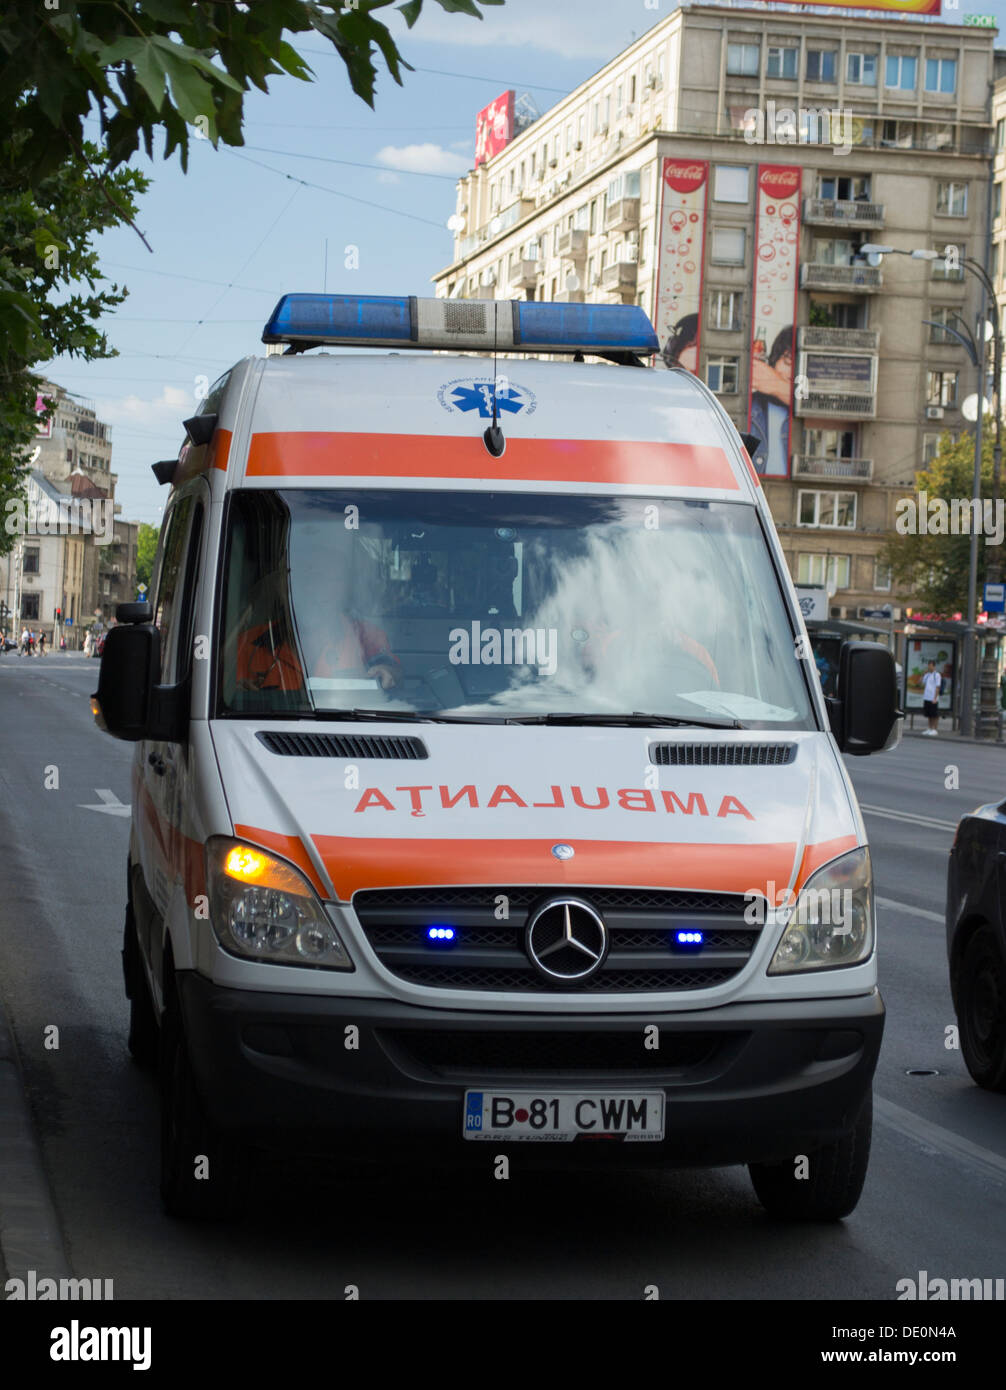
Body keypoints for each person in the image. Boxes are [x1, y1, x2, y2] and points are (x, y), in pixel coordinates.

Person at [749, 325, 794, 477]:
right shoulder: (750, 407)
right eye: (788, 362)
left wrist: (777, 385)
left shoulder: (805, 410)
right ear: (774, 360)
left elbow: (811, 402)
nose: (791, 373)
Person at [922, 658, 942, 736]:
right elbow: (921, 683)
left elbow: (937, 687)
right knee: (929, 714)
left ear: (934, 666)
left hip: (933, 698)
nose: (929, 667)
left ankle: (934, 729)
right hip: (926, 697)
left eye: (930, 666)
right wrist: (923, 674)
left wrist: (935, 698)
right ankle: (930, 728)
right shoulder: (927, 675)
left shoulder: (937, 675)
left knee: (934, 714)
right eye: (928, 665)